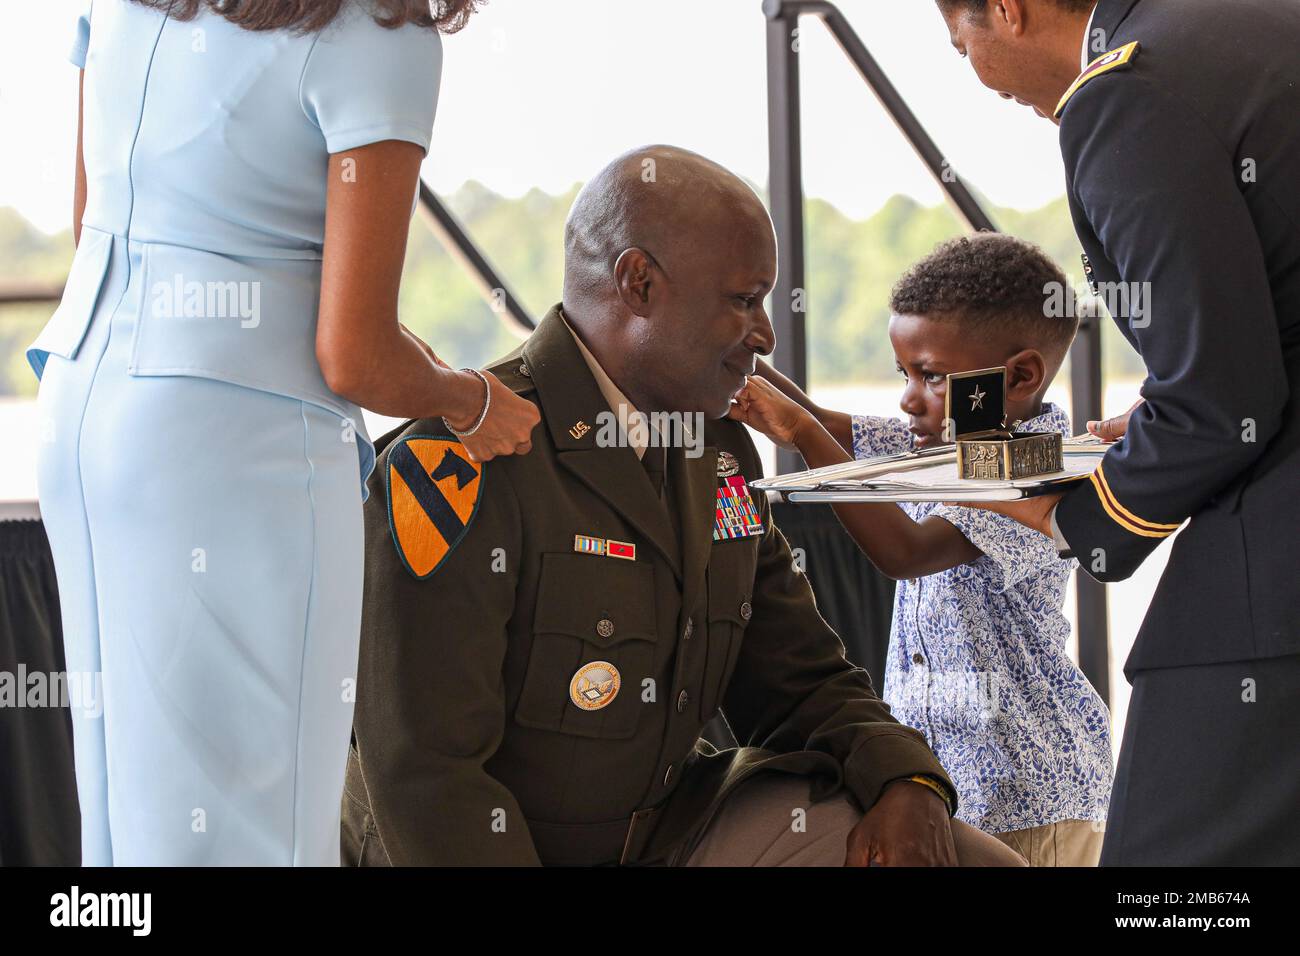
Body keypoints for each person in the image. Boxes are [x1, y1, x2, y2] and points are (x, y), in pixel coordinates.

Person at [342, 145, 1025, 867]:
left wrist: (906, 779)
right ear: (638, 283)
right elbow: (427, 779)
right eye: (742, 299)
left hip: (669, 831)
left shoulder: (718, 452)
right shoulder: (459, 461)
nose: (763, 333)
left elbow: (800, 676)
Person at [28, 0, 537, 866]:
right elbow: (354, 355)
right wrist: (471, 403)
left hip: (86, 411)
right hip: (234, 452)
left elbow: (94, 233)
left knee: (129, 820)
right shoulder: (379, 31)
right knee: (259, 825)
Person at [934, 0, 1300, 864]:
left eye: (962, 48)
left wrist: (1078, 512)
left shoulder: (1126, 93)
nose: (979, 81)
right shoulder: (1256, 27)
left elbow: (1219, 405)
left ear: (1008, 12)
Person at [734, 234, 1112, 866]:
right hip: (955, 780)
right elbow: (827, 423)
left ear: (1019, 376)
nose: (910, 399)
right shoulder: (949, 435)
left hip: (1031, 792)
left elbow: (905, 551)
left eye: (932, 376)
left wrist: (798, 433)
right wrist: (741, 339)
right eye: (905, 374)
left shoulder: (1036, 466)